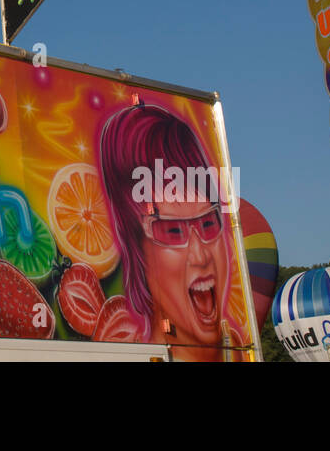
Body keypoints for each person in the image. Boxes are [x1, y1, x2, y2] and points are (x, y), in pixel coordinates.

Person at [98, 102, 242, 361]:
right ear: (134, 243)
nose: (201, 256)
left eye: (209, 223)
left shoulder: (243, 348)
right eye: (173, 230)